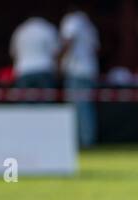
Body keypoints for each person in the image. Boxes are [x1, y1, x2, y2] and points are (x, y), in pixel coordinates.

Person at [60, 4, 99, 146]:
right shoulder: (89, 25)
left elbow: (68, 41)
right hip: (89, 70)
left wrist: (59, 61)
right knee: (86, 107)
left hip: (76, 70)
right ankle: (87, 138)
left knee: (76, 108)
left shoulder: (72, 20)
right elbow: (95, 49)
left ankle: (80, 141)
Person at [10, 15, 60, 91]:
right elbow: (56, 52)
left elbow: (13, 53)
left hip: (24, 70)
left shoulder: (20, 30)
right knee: (46, 101)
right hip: (44, 69)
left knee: (24, 101)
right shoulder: (48, 29)